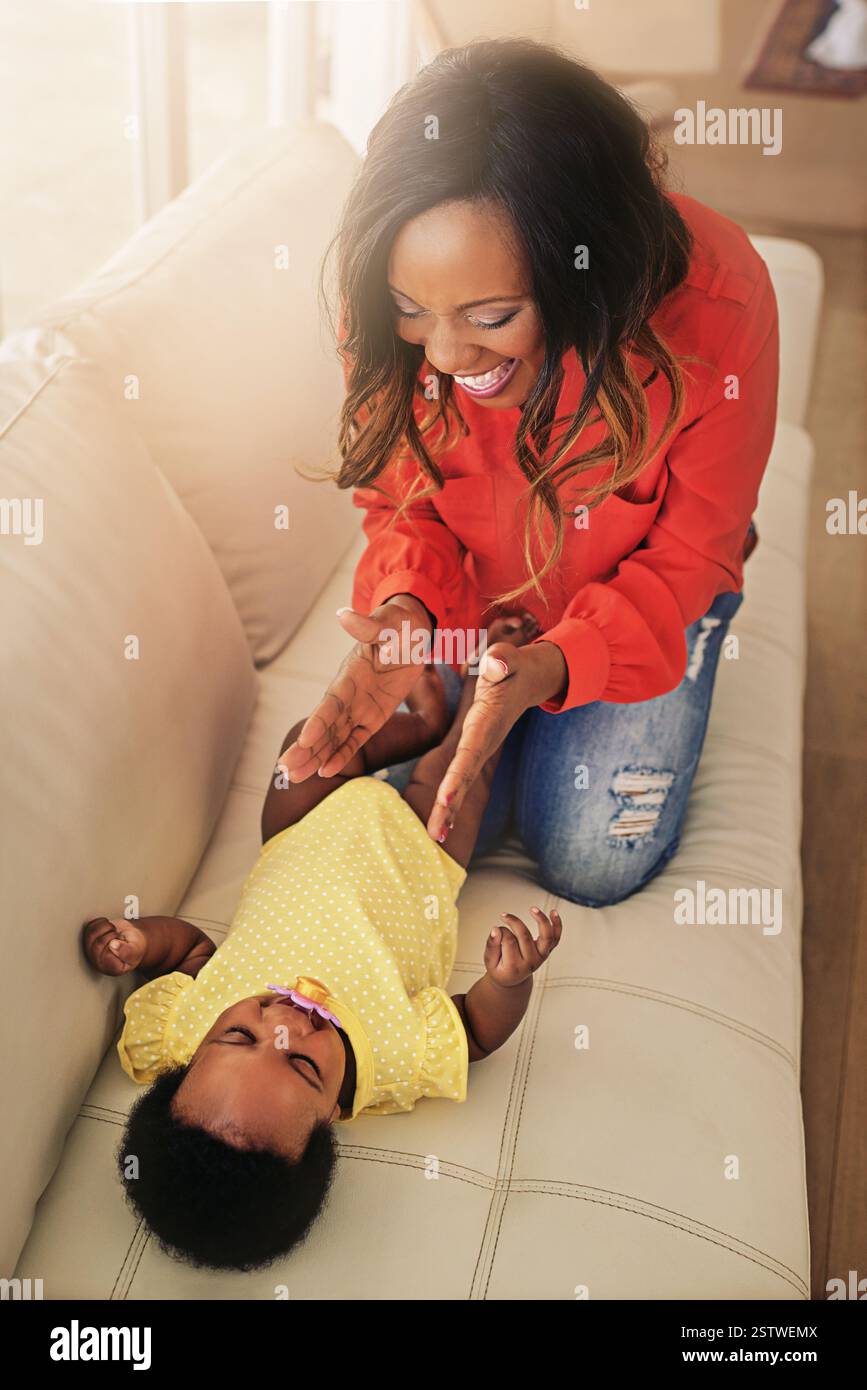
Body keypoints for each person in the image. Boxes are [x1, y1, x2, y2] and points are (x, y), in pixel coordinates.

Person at [279, 36, 778, 907]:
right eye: (411, 311)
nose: (441, 352)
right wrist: (408, 613)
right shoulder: (387, 287)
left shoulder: (719, 299)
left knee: (591, 858)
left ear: (590, 272)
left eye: (492, 314)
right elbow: (401, 500)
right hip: (470, 595)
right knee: (388, 816)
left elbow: (690, 551)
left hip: (645, 594)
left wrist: (554, 666)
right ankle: (490, 684)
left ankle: (612, 664)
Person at [81, 616, 561, 1272]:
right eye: (303, 1066)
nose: (288, 1020)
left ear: (189, 1057)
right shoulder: (391, 1064)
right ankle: (479, 697)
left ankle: (412, 726)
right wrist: (506, 984)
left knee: (298, 758)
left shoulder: (177, 1028)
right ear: (331, 1114)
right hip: (417, 851)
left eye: (240, 1037)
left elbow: (189, 950)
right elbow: (473, 1033)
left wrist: (139, 942)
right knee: (457, 778)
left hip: (302, 828)